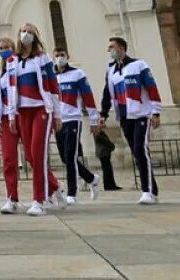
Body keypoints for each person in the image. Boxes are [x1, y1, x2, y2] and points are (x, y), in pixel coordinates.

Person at [10, 23, 64, 216]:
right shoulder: (12, 60)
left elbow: (52, 86)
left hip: (41, 109)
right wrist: (11, 115)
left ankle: (38, 200)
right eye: (23, 31)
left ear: (35, 36)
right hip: (22, 111)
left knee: (38, 154)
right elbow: (11, 89)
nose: (26, 35)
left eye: (30, 32)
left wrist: (57, 114)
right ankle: (56, 187)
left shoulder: (43, 59)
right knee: (30, 156)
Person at [100, 37, 162, 205]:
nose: (109, 50)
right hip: (124, 115)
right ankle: (153, 189)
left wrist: (156, 112)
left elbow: (151, 87)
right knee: (138, 152)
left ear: (121, 48)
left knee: (140, 149)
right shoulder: (111, 70)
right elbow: (107, 92)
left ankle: (147, 190)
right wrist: (103, 113)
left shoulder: (138, 65)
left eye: (111, 47)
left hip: (141, 113)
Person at [52, 47, 100, 204]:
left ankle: (72, 193)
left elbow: (88, 96)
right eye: (57, 55)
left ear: (67, 56)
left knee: (71, 156)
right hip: (58, 121)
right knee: (65, 157)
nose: (59, 58)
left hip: (73, 119)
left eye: (62, 55)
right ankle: (92, 178)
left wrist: (94, 119)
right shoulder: (51, 76)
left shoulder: (77, 74)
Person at [0, 37, 25, 213]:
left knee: (33, 157)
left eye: (7, 47)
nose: (4, 50)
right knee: (8, 159)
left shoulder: (20, 65)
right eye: (1, 48)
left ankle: (53, 187)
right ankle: (11, 198)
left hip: (23, 115)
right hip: (6, 118)